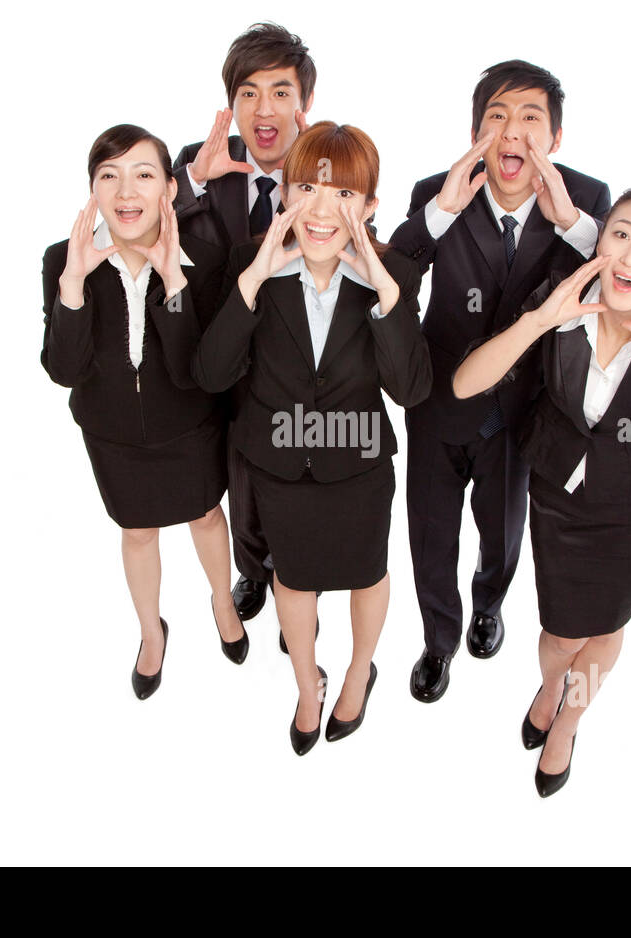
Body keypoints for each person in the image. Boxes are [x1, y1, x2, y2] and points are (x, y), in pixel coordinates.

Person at [453, 185, 631, 797]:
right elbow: (464, 385)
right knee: (559, 636)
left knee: (605, 630)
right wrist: (538, 321)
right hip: (557, 500)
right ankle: (553, 689)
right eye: (621, 234)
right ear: (600, 240)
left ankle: (570, 723)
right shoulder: (564, 303)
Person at [193, 122, 432, 755]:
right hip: (278, 465)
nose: (322, 209)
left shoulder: (395, 272)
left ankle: (358, 672)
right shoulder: (251, 262)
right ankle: (306, 683)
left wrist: (385, 296)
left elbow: (410, 390)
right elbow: (211, 374)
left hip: (358, 467)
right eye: (308, 188)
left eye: (344, 194)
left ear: (370, 207)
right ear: (286, 195)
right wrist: (253, 282)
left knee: (367, 576)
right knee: (293, 583)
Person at [387, 59, 612, 703]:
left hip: (521, 409)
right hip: (438, 398)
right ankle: (438, 639)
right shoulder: (439, 190)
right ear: (476, 131)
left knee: (503, 528)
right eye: (497, 117)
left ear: (556, 139)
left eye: (530, 118)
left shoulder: (588, 200)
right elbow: (395, 283)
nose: (513, 132)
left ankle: (489, 602)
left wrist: (569, 222)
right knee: (431, 532)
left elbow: (609, 288)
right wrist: (436, 216)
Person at [40, 124, 250, 701]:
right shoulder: (63, 258)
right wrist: (75, 285)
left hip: (190, 424)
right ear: (93, 190)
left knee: (207, 516)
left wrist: (173, 280)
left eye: (143, 175)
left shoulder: (204, 261)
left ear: (168, 188)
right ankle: (150, 631)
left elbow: (194, 372)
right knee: (137, 532)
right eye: (109, 176)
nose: (126, 191)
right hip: (111, 433)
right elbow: (63, 369)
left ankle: (222, 601)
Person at [172, 22, 317, 627]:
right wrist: (196, 183)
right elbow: (152, 234)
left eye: (281, 92)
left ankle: (297, 585)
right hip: (217, 365)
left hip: (293, 376)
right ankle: (252, 571)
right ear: (232, 103)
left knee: (294, 489)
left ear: (303, 104)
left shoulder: (327, 173)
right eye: (249, 92)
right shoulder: (198, 166)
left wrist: (305, 192)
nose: (265, 108)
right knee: (239, 485)